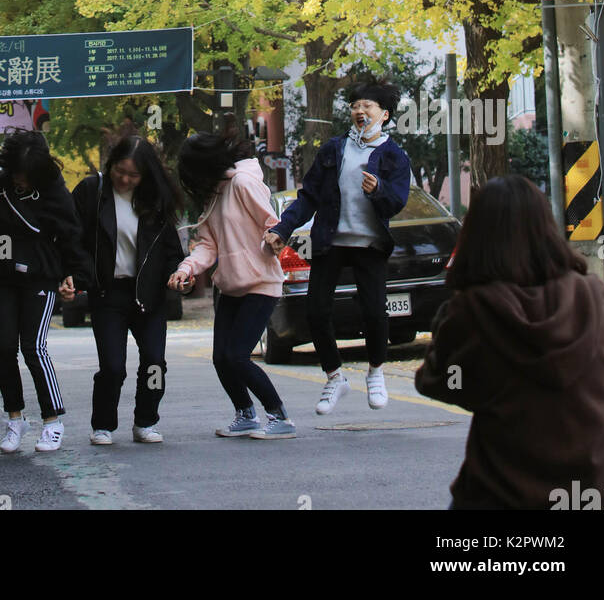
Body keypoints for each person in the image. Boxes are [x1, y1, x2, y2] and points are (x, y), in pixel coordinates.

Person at [416, 174, 604, 510]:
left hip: (501, 493)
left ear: (478, 236)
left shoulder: (473, 310)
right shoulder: (592, 296)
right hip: (594, 490)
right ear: (546, 230)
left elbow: (435, 382)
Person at [265, 80, 410, 415]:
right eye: (355, 106)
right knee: (316, 311)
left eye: (368, 106)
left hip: (369, 243)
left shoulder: (394, 156)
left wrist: (379, 190)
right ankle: (335, 376)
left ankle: (375, 372)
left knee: (374, 312)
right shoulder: (334, 149)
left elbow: (397, 202)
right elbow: (309, 196)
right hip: (331, 240)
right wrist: (282, 229)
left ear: (384, 115)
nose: (360, 111)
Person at [0, 129, 92, 455]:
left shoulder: (56, 193)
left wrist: (75, 277)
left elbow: (72, 238)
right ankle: (15, 418)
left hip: (40, 277)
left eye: (26, 176)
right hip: (4, 276)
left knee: (34, 347)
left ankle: (53, 420)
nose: (19, 181)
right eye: (15, 174)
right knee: (4, 349)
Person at [169, 130, 292, 440]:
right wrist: (187, 268)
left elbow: (271, 223)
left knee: (237, 356)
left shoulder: (243, 182)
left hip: (261, 283)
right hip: (231, 286)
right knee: (221, 358)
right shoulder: (214, 194)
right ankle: (245, 414)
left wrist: (275, 241)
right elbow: (208, 244)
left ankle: (279, 417)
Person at [72, 131, 185, 445]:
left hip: (148, 294)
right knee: (112, 366)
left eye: (133, 175)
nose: (124, 179)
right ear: (110, 166)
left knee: (155, 362)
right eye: (119, 172)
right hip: (108, 293)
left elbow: (170, 249)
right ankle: (103, 425)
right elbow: (73, 240)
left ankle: (146, 421)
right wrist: (77, 277)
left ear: (145, 174)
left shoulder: (155, 200)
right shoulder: (91, 191)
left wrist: (179, 273)